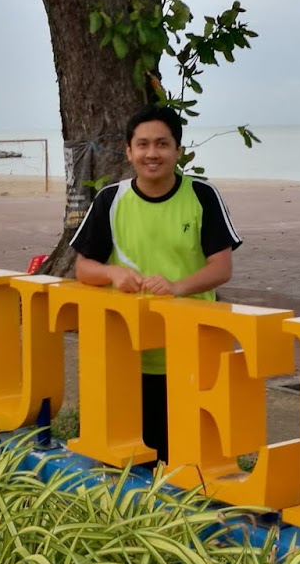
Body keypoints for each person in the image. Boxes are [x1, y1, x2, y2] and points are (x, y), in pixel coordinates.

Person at [70, 106, 242, 464]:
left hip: (193, 352)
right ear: (128, 151)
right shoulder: (111, 200)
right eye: (143, 144)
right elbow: (83, 267)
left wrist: (177, 287)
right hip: (127, 355)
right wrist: (112, 274)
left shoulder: (202, 196)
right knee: (131, 462)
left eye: (162, 144)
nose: (152, 153)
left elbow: (221, 267)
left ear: (178, 150)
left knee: (190, 465)